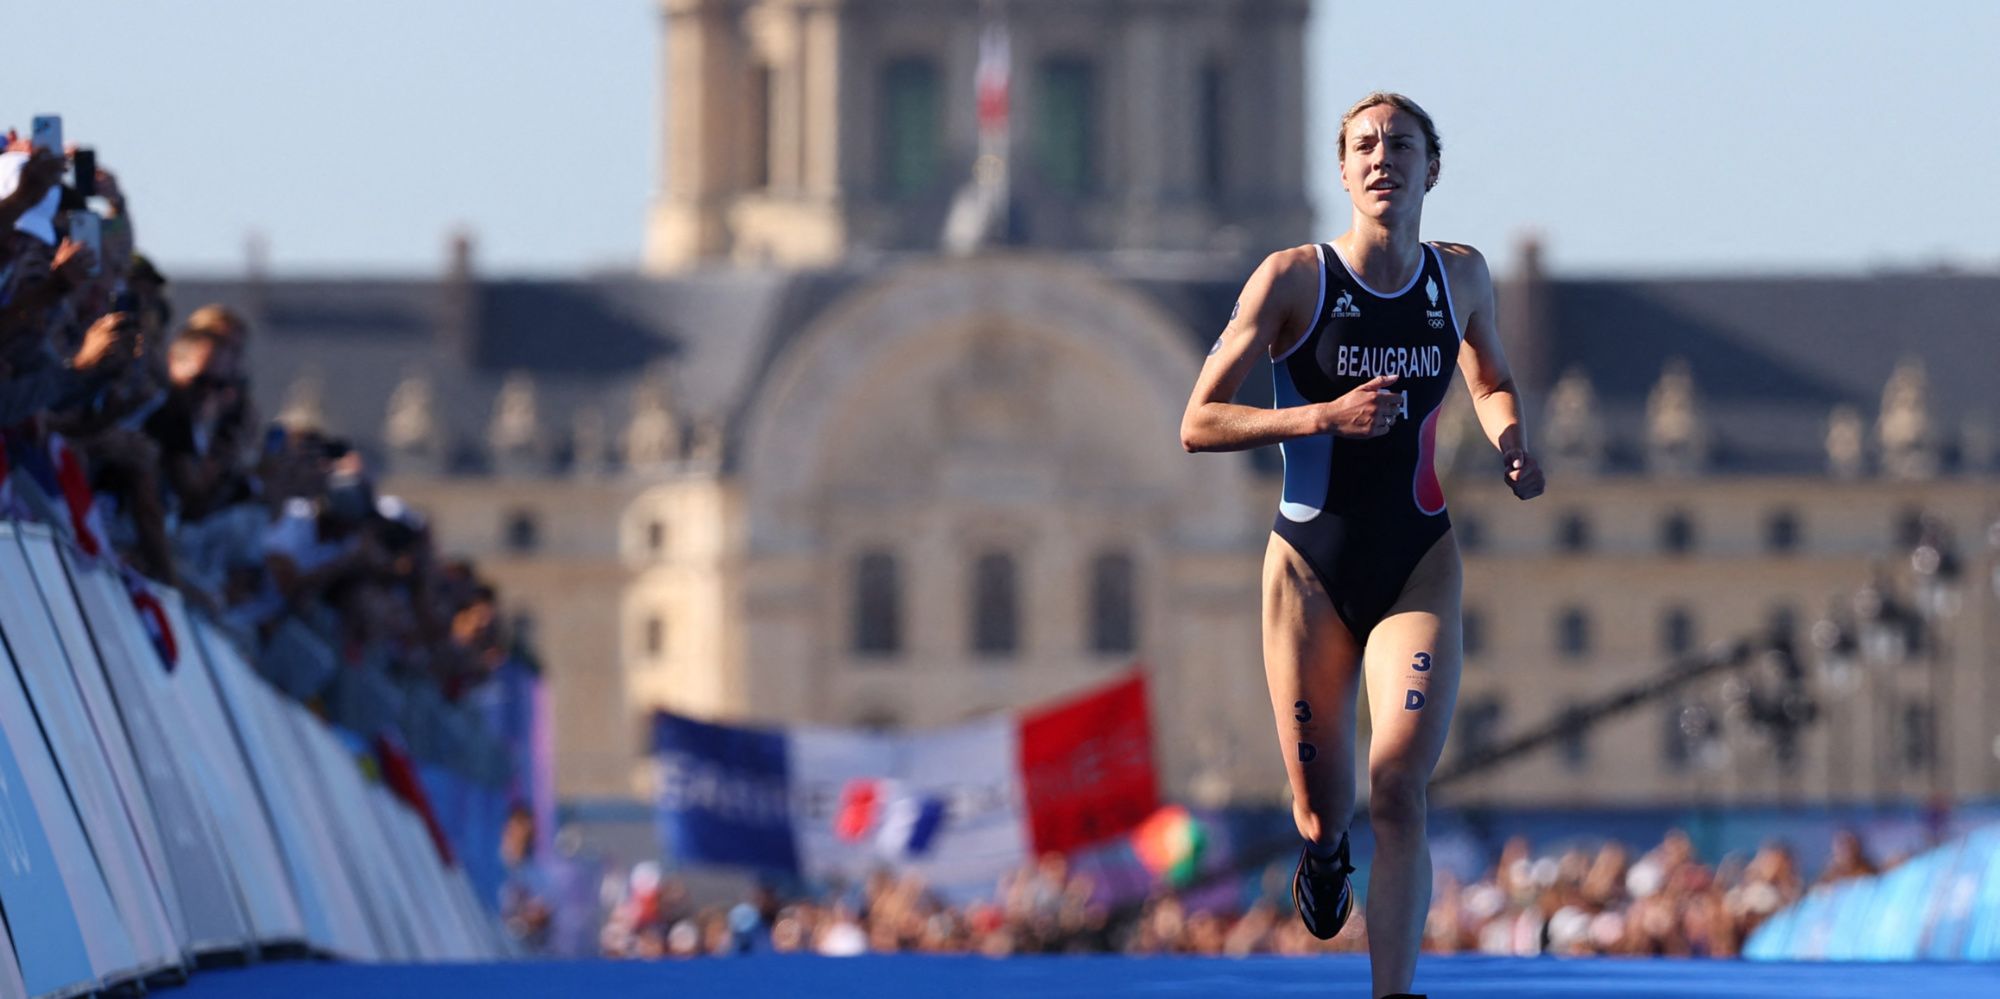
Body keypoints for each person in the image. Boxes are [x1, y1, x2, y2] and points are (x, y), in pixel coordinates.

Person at [1180, 91, 1545, 999]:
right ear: (1342, 171)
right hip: (1309, 568)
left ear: (1432, 168)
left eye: (1402, 145)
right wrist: (1321, 416)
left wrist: (1510, 441)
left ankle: (1393, 991)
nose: (1384, 158)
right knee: (1323, 805)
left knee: (1399, 788)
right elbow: (1198, 420)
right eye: (1365, 146)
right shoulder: (1293, 280)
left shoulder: (1461, 277)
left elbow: (1490, 377)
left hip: (1417, 558)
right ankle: (1321, 850)